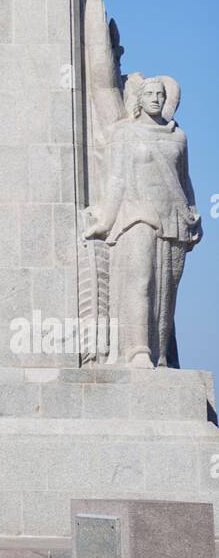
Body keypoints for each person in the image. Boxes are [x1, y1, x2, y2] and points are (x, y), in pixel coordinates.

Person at [85, 76, 201, 366]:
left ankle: (158, 352)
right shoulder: (125, 134)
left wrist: (194, 217)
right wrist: (104, 220)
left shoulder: (178, 136)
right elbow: (117, 179)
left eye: (160, 94)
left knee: (165, 289)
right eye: (149, 93)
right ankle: (137, 350)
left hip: (172, 216)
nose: (155, 99)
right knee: (141, 280)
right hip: (136, 215)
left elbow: (184, 180)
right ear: (139, 99)